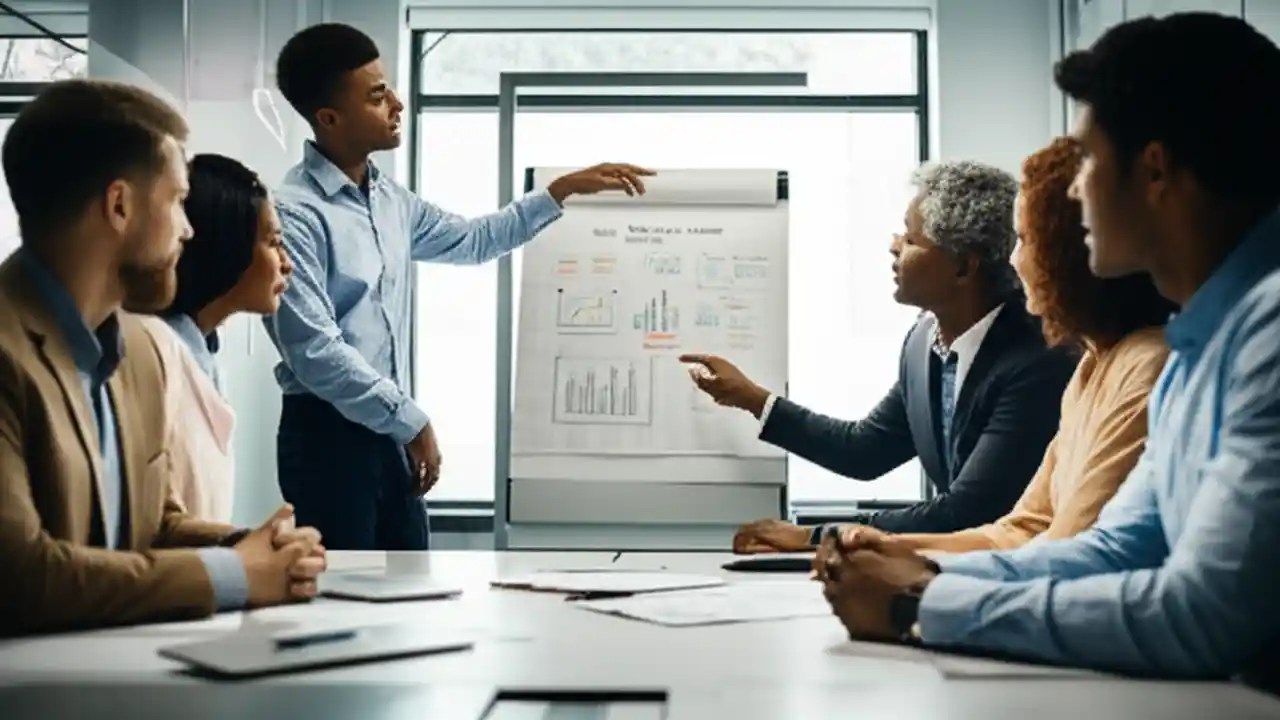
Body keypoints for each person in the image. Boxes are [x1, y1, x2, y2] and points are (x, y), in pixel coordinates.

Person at [819, 12, 1280, 690]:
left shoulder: (1266, 337)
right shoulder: (1198, 346)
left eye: (1089, 160)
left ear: (1154, 170)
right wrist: (925, 575)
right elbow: (1116, 548)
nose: (1075, 189)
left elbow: (1201, 615)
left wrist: (919, 602)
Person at [266, 23, 653, 550]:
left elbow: (472, 241)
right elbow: (315, 351)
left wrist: (558, 192)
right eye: (377, 97)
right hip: (328, 437)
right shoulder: (294, 214)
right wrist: (410, 420)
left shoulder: (389, 198)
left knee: (407, 586)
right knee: (343, 591)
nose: (398, 104)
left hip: (390, 429)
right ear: (329, 118)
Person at [0, 79, 324, 636]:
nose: (188, 228)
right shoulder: (8, 351)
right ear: (120, 205)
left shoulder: (145, 350)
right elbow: (21, 576)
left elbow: (156, 523)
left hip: (129, 671)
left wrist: (254, 547)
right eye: (176, 201)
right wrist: (236, 574)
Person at [683, 160, 1077, 551]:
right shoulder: (923, 342)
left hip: (1020, 569)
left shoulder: (1038, 360)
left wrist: (816, 536)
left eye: (911, 239)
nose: (894, 245)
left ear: (962, 266)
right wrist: (752, 399)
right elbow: (866, 451)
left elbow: (970, 511)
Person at [821, 137, 1173, 557]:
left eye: (1025, 239)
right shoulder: (1091, 367)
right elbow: (1023, 528)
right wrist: (881, 546)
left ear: (1075, 251)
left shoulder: (1144, 366)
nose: (1012, 261)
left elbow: (1073, 551)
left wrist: (917, 577)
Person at [137, 154, 294, 522]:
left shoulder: (203, 352)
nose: (287, 263)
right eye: (273, 243)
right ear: (228, 246)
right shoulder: (154, 356)